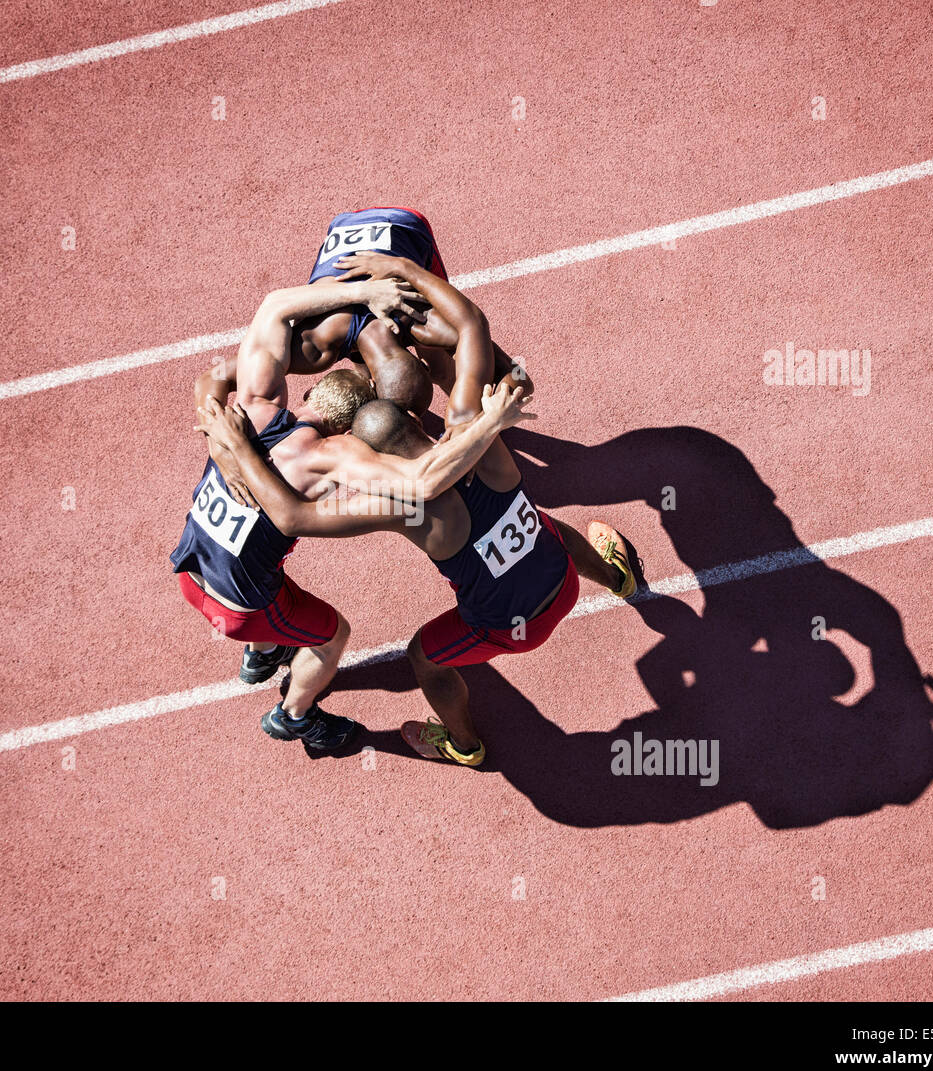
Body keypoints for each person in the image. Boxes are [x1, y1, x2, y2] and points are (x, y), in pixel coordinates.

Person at [197, 266, 638, 766]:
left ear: (369, 456)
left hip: (512, 628)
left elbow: (293, 517)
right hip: (562, 579)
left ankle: (464, 746)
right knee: (547, 528)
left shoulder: (404, 510)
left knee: (424, 659)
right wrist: (405, 271)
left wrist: (236, 447)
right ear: (413, 420)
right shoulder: (477, 432)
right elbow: (471, 325)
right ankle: (618, 579)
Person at [172, 276, 536, 753]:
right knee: (331, 637)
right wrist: (490, 425)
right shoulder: (332, 456)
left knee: (263, 566)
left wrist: (362, 294)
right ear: (350, 432)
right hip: (238, 607)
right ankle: (294, 716)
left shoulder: (253, 407)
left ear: (310, 393)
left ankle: (262, 654)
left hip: (190, 567)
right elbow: (424, 483)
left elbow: (275, 306)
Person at [195, 206, 531, 417]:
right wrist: (488, 409)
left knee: (442, 367)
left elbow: (214, 377)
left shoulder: (319, 344)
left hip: (391, 227)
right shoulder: (316, 345)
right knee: (450, 367)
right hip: (392, 226)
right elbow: (517, 376)